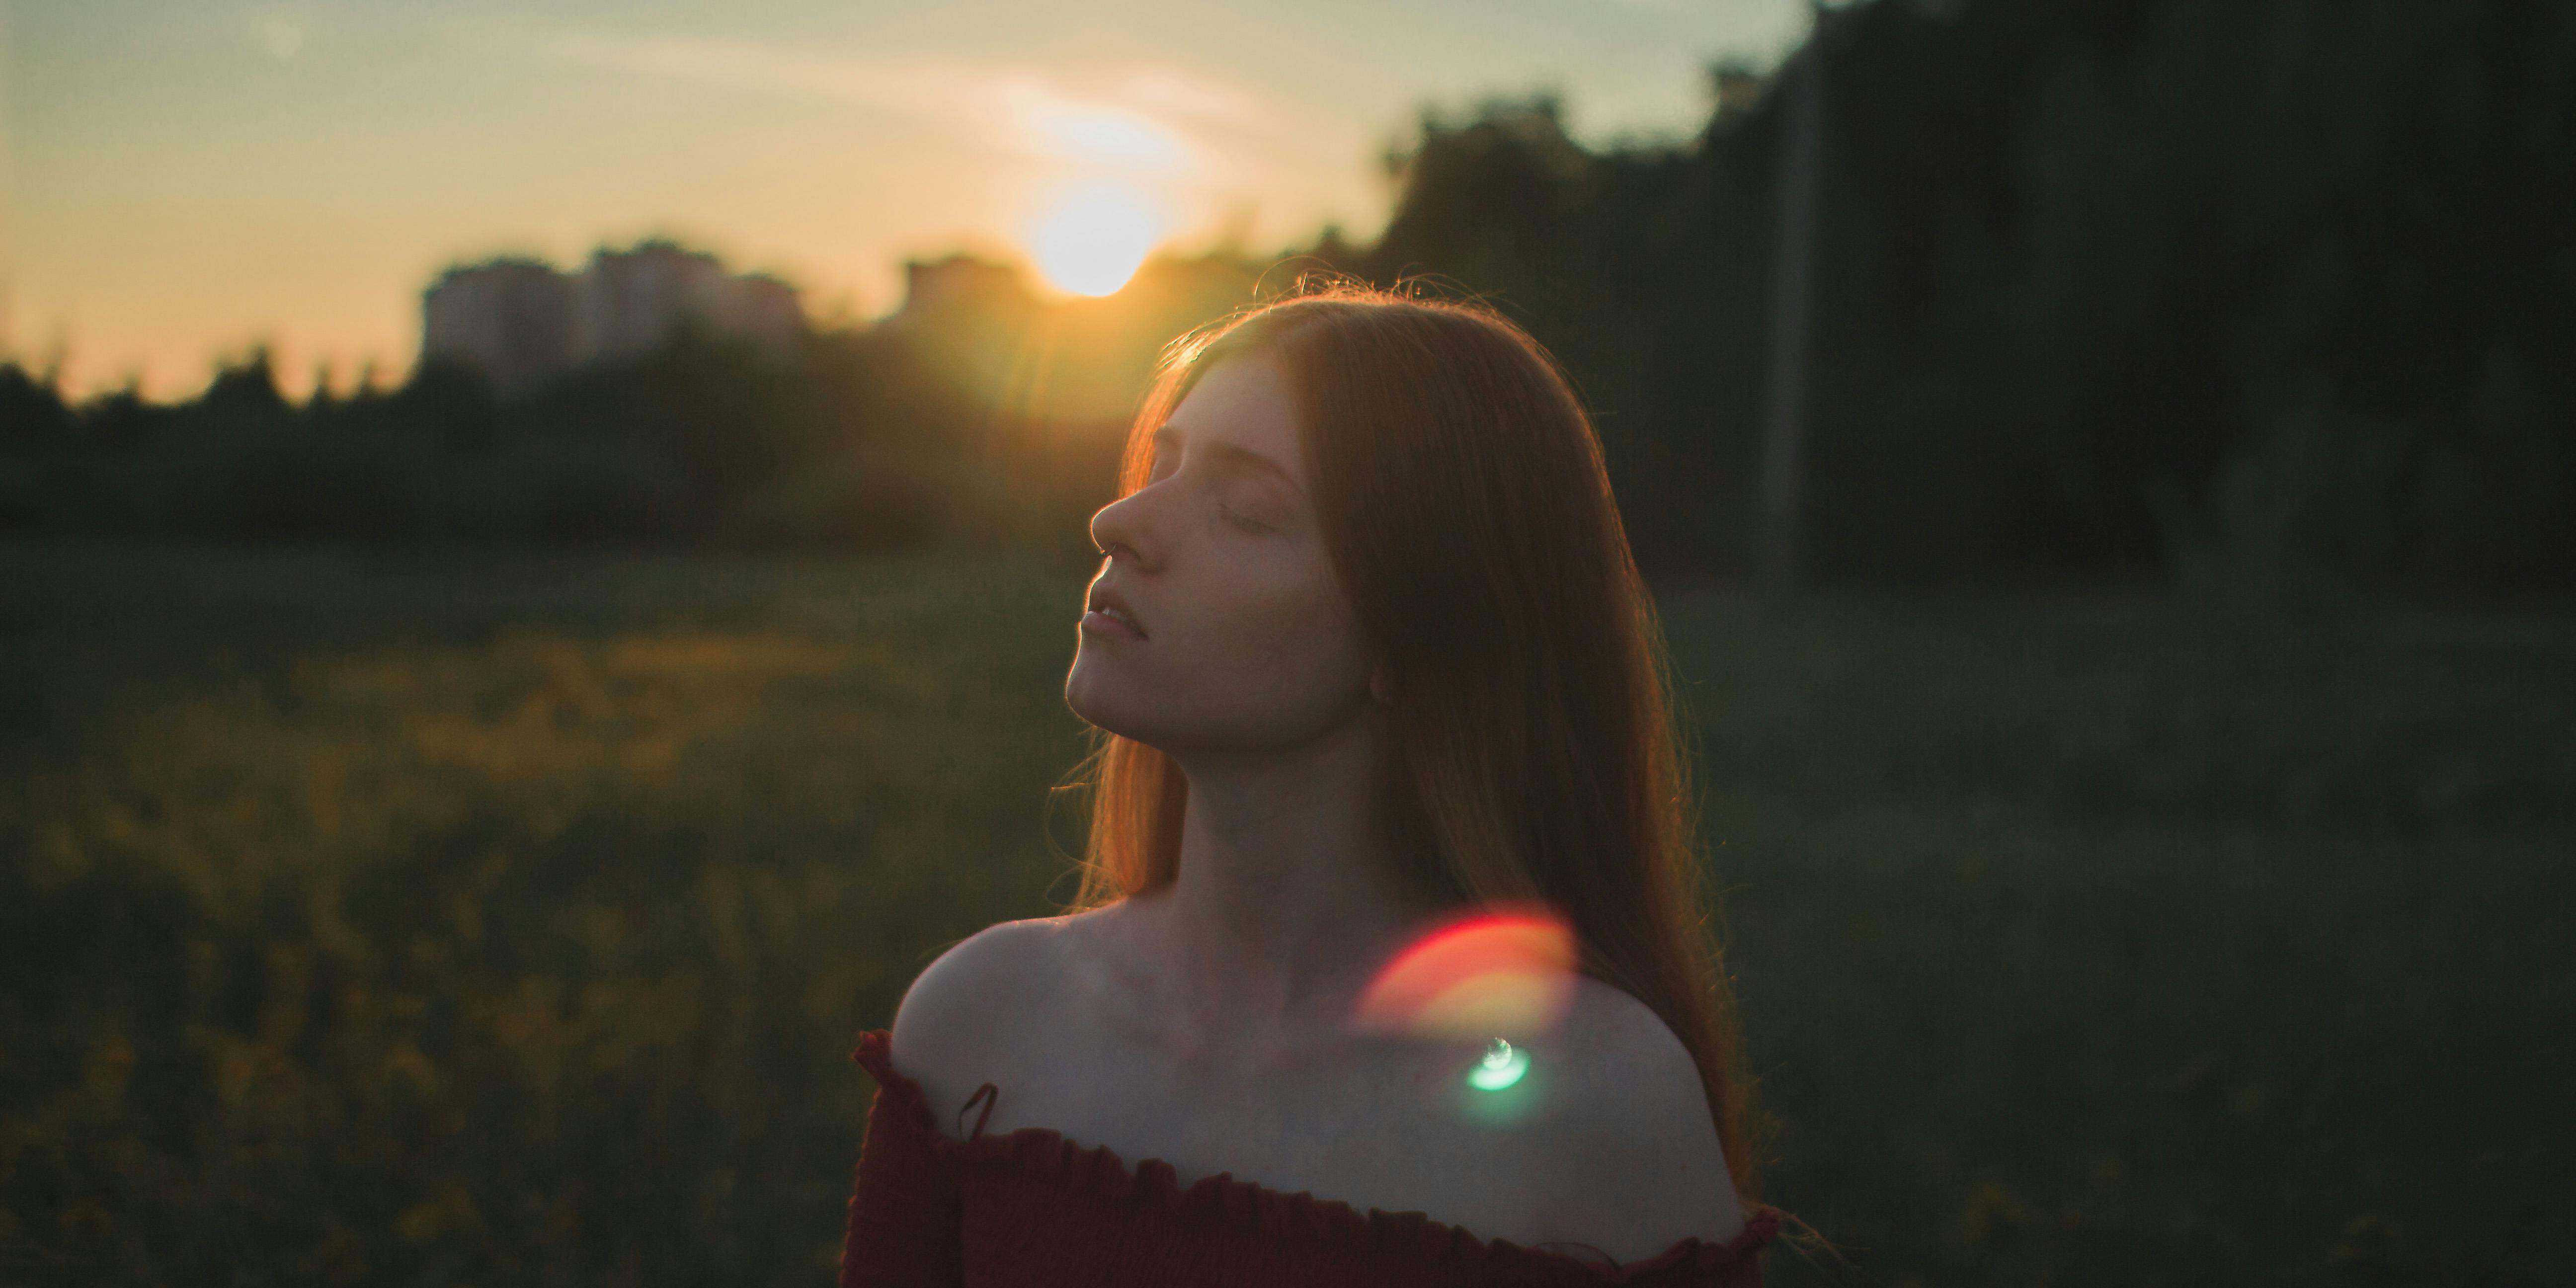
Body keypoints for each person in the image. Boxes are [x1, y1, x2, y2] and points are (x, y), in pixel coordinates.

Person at [839, 283, 1780, 1286]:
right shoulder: (977, 1025)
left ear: (1418, 632)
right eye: (1158, 465)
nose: (1118, 521)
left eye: (1246, 510)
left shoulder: (1603, 1101)